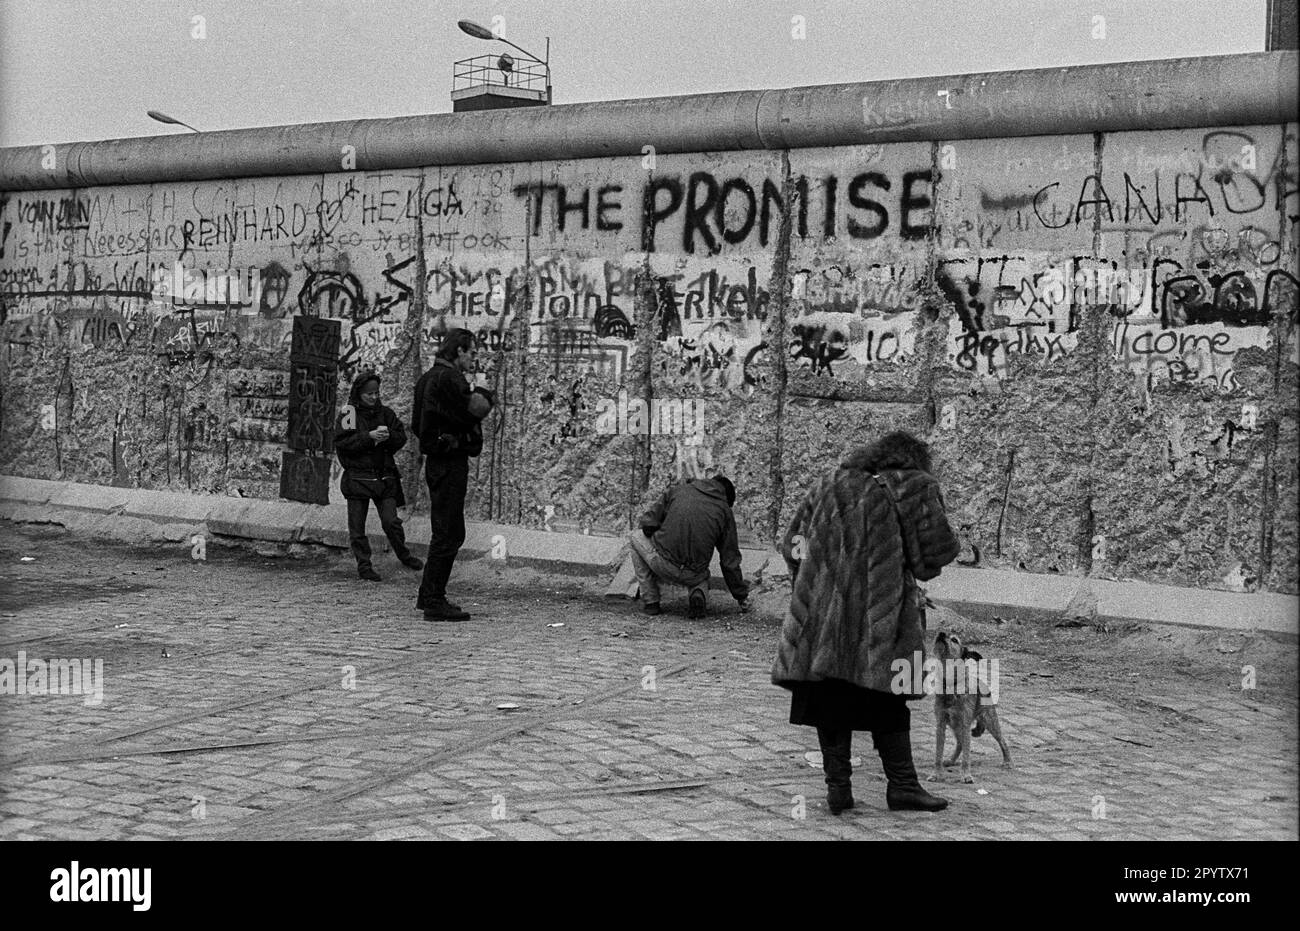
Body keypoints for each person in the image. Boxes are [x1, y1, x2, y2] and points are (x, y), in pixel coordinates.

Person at [771, 431, 960, 815]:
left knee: (828, 696)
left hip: (823, 615)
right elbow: (932, 557)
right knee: (888, 697)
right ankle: (903, 786)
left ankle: (838, 788)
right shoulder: (916, 487)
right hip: (881, 614)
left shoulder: (832, 481)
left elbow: (793, 542)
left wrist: (815, 582)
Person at [411, 328, 494, 622]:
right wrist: (482, 395)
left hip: (438, 461)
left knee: (447, 531)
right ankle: (433, 598)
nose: (474, 358)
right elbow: (472, 411)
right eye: (471, 352)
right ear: (458, 350)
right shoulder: (449, 379)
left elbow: (417, 425)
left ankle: (429, 594)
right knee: (449, 533)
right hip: (448, 462)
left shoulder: (427, 378)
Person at [334, 372, 423, 581]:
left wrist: (388, 437)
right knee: (357, 528)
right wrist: (368, 437)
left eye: (376, 393)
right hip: (358, 477)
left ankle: (403, 554)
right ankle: (364, 565)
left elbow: (401, 437)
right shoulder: (349, 414)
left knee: (391, 521)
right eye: (369, 394)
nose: (374, 398)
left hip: (384, 476)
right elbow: (343, 444)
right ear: (359, 394)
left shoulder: (386, 413)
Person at [630, 474, 749, 618]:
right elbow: (729, 560)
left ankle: (651, 602)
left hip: (662, 563)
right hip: (693, 574)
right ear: (726, 497)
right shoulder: (725, 511)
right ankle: (698, 594)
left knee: (635, 537)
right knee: (702, 577)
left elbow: (648, 524)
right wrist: (741, 596)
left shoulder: (678, 491)